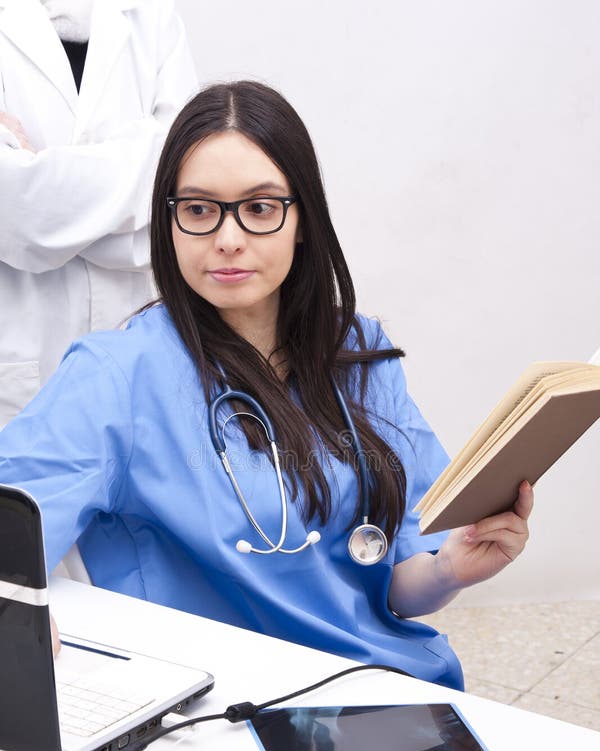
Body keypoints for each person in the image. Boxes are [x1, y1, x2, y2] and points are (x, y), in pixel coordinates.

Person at [0, 81, 533, 689]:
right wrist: (23, 617)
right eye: (199, 210)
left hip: (384, 686)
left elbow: (399, 586)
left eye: (259, 208)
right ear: (168, 223)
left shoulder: (357, 351)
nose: (228, 238)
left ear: (302, 219)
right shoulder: (117, 375)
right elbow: (12, 524)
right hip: (217, 710)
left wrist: (452, 570)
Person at [0, 0, 197, 427]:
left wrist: (42, 188)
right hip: (17, 372)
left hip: (134, 354)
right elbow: (15, 210)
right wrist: (136, 184)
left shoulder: (155, 20)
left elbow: (185, 190)